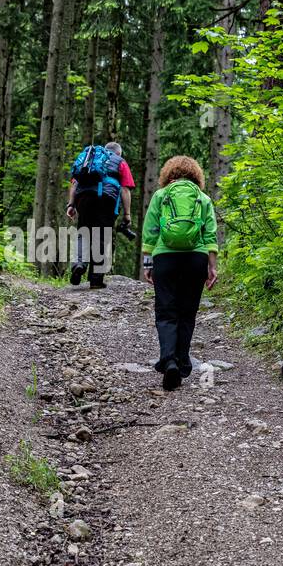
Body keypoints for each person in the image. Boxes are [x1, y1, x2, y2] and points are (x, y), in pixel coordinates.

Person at [139, 155, 219, 391]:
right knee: (187, 312)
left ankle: (169, 360)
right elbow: (210, 233)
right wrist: (211, 266)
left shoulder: (161, 195)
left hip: (165, 257)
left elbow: (151, 229)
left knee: (166, 311)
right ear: (196, 176)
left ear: (168, 175)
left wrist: (148, 262)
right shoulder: (203, 198)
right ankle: (183, 363)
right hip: (196, 258)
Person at [66, 141, 134, 288]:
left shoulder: (89, 157)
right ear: (118, 153)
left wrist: (71, 205)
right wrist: (127, 214)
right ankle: (96, 279)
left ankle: (79, 264)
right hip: (106, 199)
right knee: (102, 236)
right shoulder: (120, 162)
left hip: (84, 197)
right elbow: (125, 190)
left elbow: (74, 183)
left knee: (83, 232)